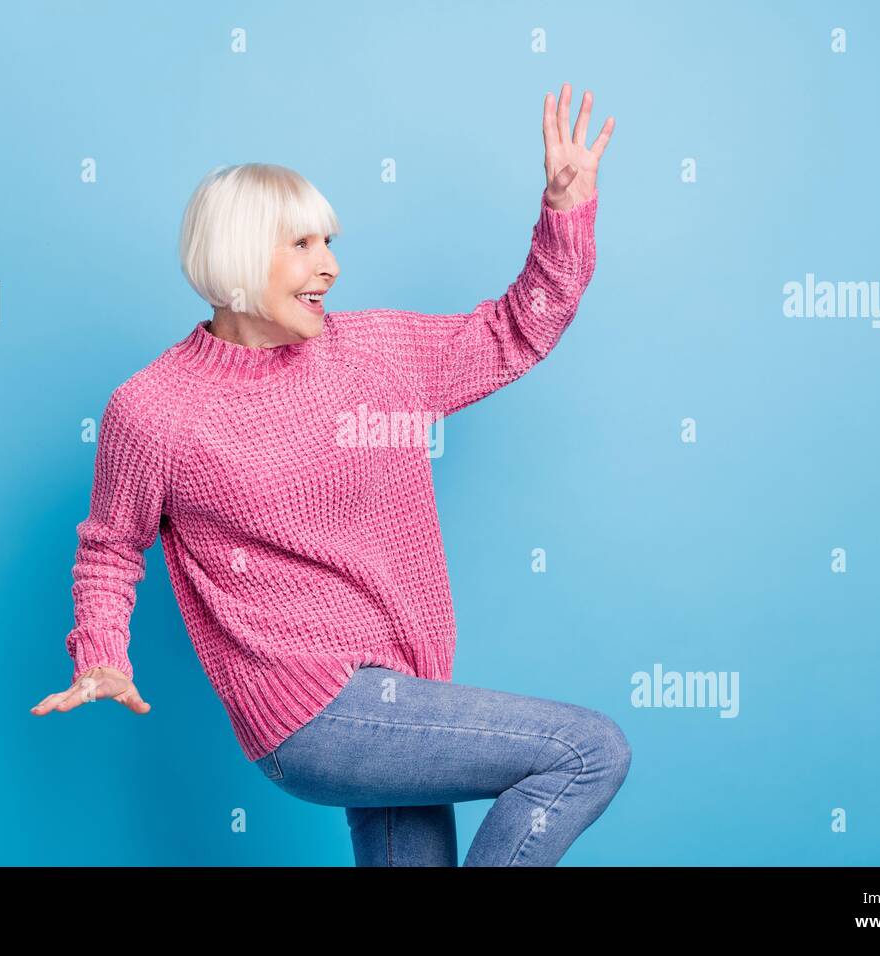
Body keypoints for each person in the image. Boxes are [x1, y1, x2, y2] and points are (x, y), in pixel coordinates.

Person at [31, 83, 631, 866]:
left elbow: (517, 328)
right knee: (585, 752)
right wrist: (101, 652)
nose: (333, 266)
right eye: (304, 245)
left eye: (331, 241)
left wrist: (565, 211)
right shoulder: (155, 409)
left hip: (404, 693)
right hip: (309, 713)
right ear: (240, 255)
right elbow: (110, 548)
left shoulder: (376, 354)